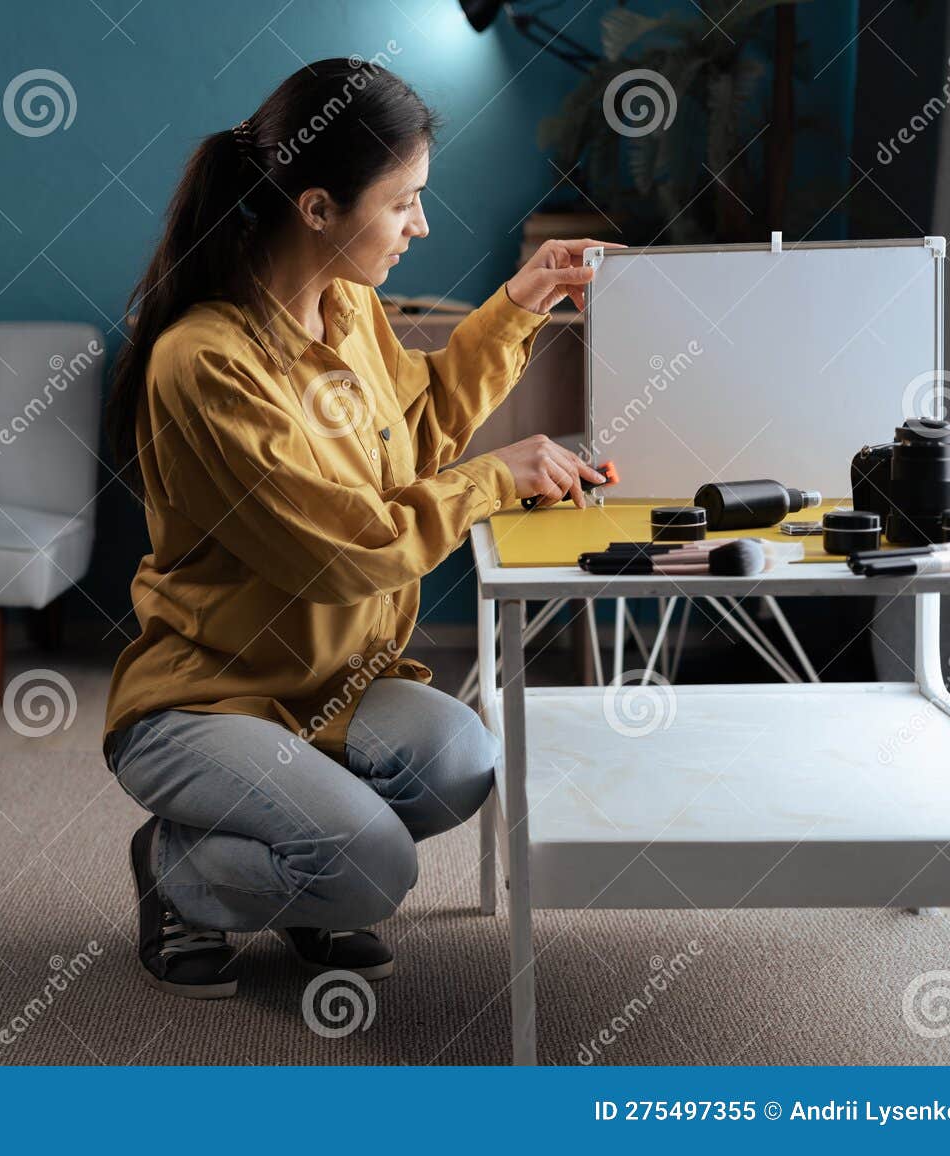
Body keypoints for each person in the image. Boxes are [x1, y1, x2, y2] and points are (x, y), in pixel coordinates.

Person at [101, 58, 614, 999]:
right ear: (317, 208)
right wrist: (495, 481)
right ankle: (177, 870)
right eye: (404, 202)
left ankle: (309, 875)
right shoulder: (205, 363)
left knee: (460, 761)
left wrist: (521, 304)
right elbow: (345, 556)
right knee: (375, 868)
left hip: (335, 687)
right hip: (209, 699)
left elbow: (414, 436)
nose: (421, 224)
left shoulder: (348, 308)